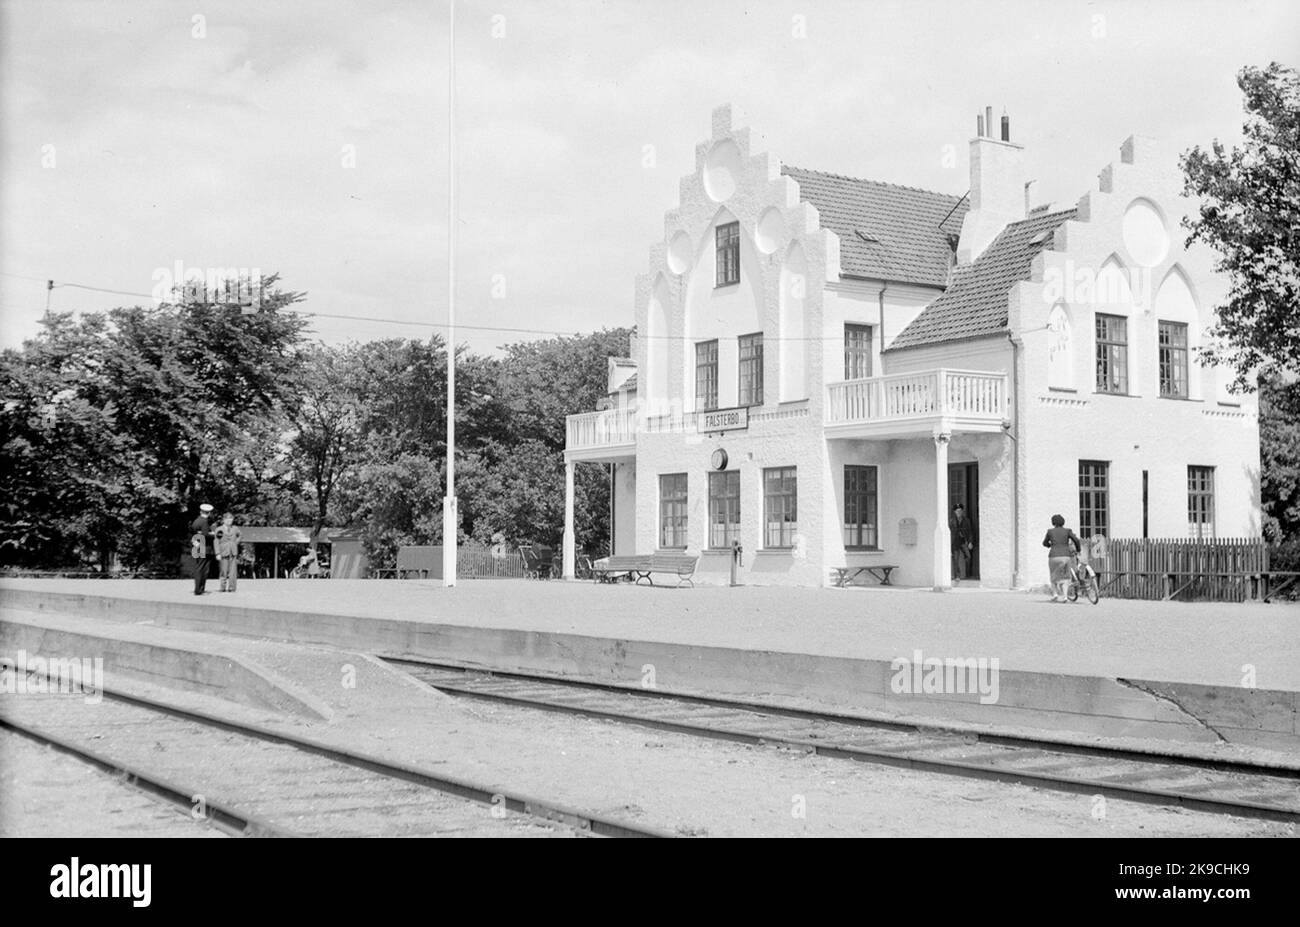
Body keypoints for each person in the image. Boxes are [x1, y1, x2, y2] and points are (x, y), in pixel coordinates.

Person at [1042, 514, 1083, 603]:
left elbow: (1044, 543)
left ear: (1053, 523)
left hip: (1053, 556)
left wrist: (1049, 545)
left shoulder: (1050, 531)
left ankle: (1055, 595)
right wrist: (1078, 549)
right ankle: (1065, 597)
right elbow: (1076, 540)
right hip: (1065, 556)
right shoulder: (1068, 531)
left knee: (1053, 576)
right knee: (1066, 577)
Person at [189, 503, 216, 595]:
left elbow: (193, 533)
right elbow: (205, 535)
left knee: (198, 568)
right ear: (209, 513)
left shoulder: (196, 521)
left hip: (196, 546)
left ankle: (198, 589)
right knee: (203, 569)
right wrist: (213, 534)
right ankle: (199, 589)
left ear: (201, 511)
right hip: (204, 548)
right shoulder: (204, 522)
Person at [214, 512, 242, 593]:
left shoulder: (235, 528)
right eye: (227, 519)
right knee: (223, 571)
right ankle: (222, 587)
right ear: (224, 520)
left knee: (233, 571)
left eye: (231, 519)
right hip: (223, 552)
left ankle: (232, 588)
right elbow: (216, 541)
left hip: (233, 552)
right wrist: (217, 553)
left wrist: (235, 543)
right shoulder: (219, 529)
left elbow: (240, 535)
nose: (229, 520)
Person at [949, 503, 975, 583]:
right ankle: (957, 576)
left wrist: (970, 542)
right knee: (955, 560)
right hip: (955, 542)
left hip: (963, 541)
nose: (959, 512)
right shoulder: (951, 521)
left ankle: (967, 573)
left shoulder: (966, 520)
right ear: (954, 512)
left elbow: (970, 532)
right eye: (957, 511)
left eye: (960, 511)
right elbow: (949, 532)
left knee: (968, 556)